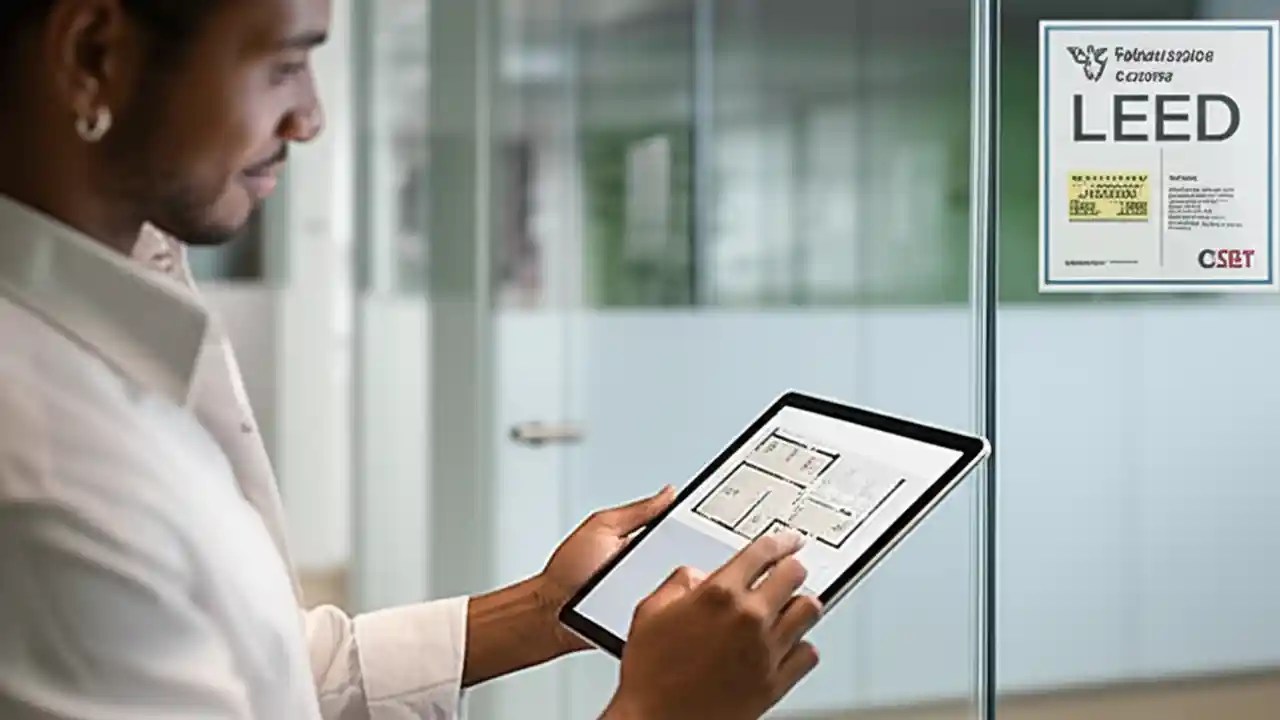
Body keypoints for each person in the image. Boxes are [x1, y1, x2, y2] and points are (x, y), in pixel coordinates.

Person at [0, 1, 823, 719]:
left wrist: (546, 609)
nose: (310, 117)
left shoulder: (95, 352)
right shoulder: (44, 469)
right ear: (93, 55)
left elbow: (267, 669)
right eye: (285, 64)